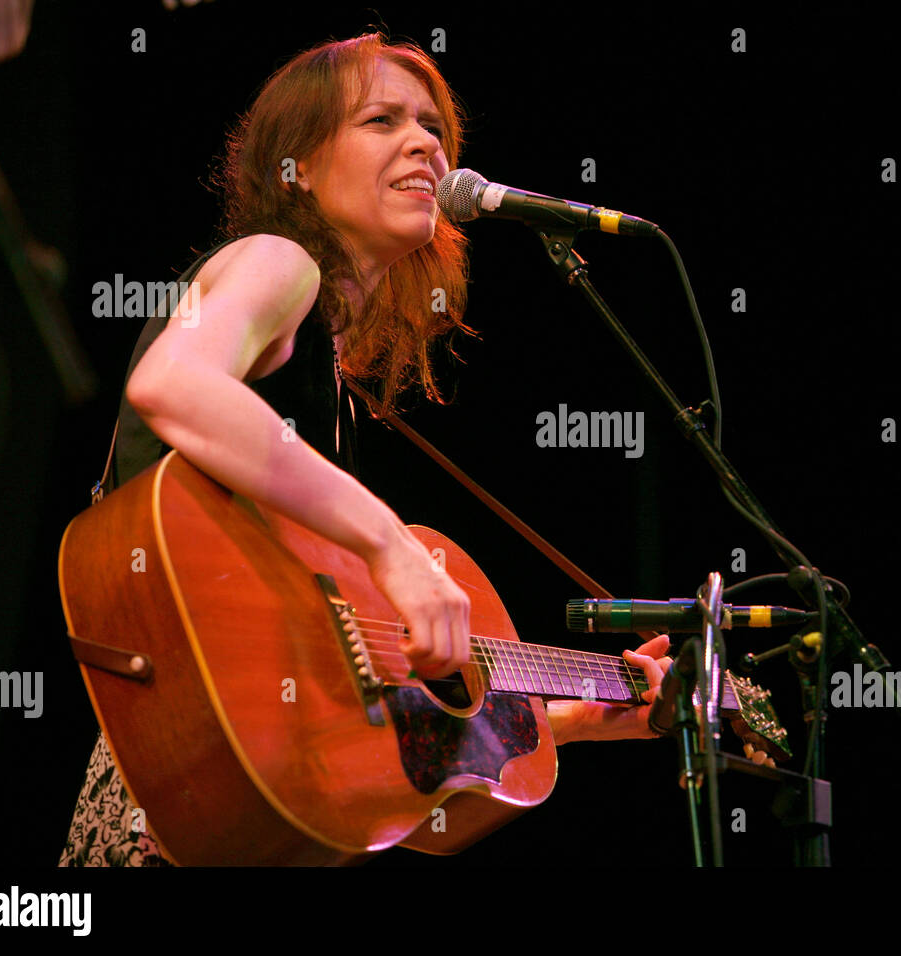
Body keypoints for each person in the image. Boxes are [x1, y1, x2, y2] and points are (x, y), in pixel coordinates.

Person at [59, 32, 672, 867]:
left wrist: (584, 716)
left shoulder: (324, 391)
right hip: (172, 822)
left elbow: (350, 711)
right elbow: (172, 382)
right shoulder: (274, 263)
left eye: (432, 126)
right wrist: (392, 548)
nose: (425, 142)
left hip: (231, 805)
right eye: (381, 119)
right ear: (298, 167)